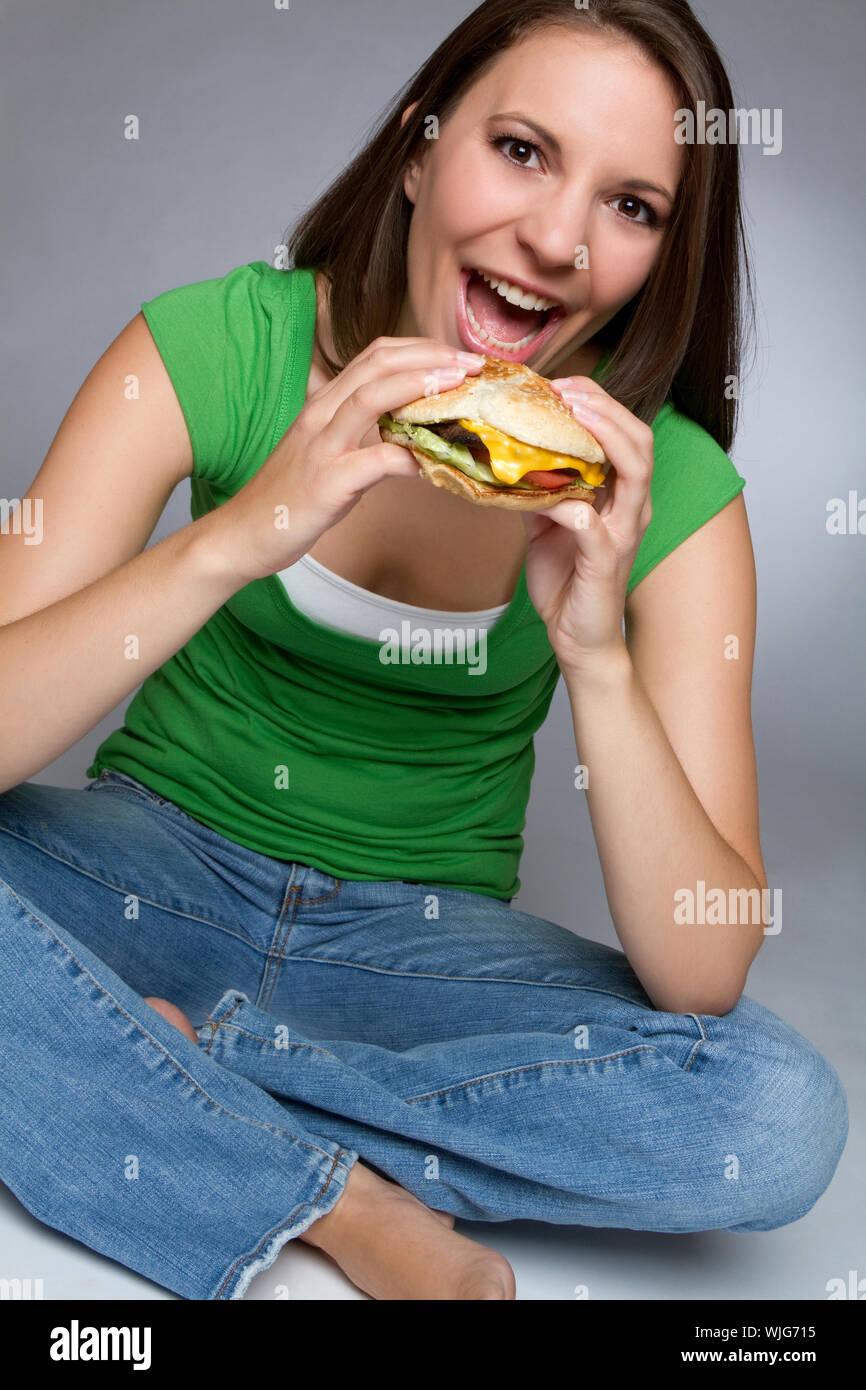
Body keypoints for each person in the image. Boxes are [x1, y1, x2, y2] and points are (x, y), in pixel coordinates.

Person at [0, 0, 847, 1301]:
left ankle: (190, 1066)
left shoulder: (666, 485)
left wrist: (595, 651)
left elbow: (701, 960)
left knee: (774, 1116)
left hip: (406, 960)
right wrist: (242, 534)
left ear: (665, 255)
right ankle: (330, 1193)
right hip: (141, 878)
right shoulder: (218, 341)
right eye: (520, 150)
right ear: (416, 152)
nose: (557, 240)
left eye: (632, 206)